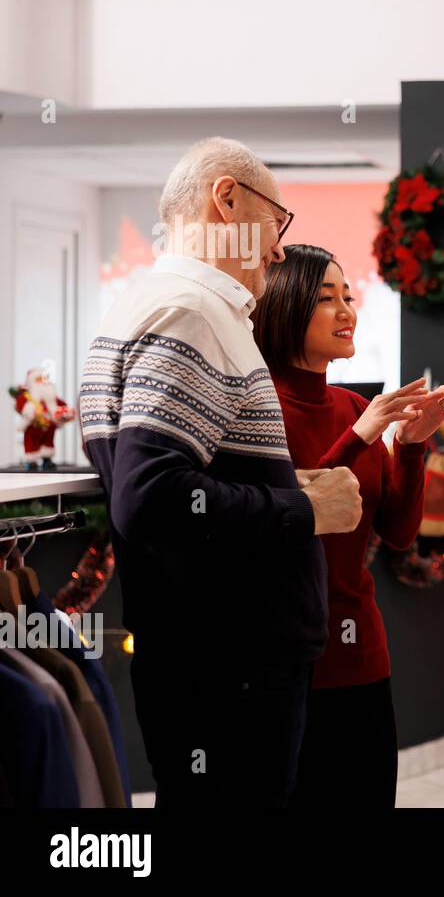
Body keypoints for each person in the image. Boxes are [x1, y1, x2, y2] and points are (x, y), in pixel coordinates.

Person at [78, 138, 363, 807]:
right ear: (226, 198)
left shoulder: (153, 305)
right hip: (233, 666)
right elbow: (149, 499)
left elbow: (181, 478)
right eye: (275, 223)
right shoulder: (193, 312)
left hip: (203, 658)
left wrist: (290, 488)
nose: (277, 250)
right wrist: (307, 512)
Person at [252, 244, 444, 807]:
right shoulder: (259, 414)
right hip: (288, 661)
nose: (347, 310)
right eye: (327, 299)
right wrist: (363, 437)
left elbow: (397, 534)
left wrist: (413, 448)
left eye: (348, 296)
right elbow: (287, 519)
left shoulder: (352, 406)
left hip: (363, 653)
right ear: (284, 308)